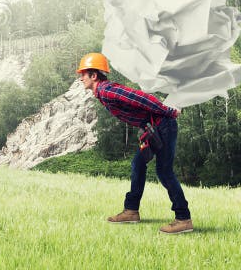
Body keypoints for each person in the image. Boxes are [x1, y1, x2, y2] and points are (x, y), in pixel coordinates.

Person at [76, 52, 193, 234]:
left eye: (83, 73)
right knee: (138, 163)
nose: (80, 77)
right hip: (153, 127)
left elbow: (141, 98)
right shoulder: (102, 93)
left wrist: (168, 111)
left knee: (164, 171)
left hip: (163, 124)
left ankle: (183, 218)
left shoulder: (107, 90)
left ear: (94, 75)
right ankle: (131, 211)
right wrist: (145, 129)